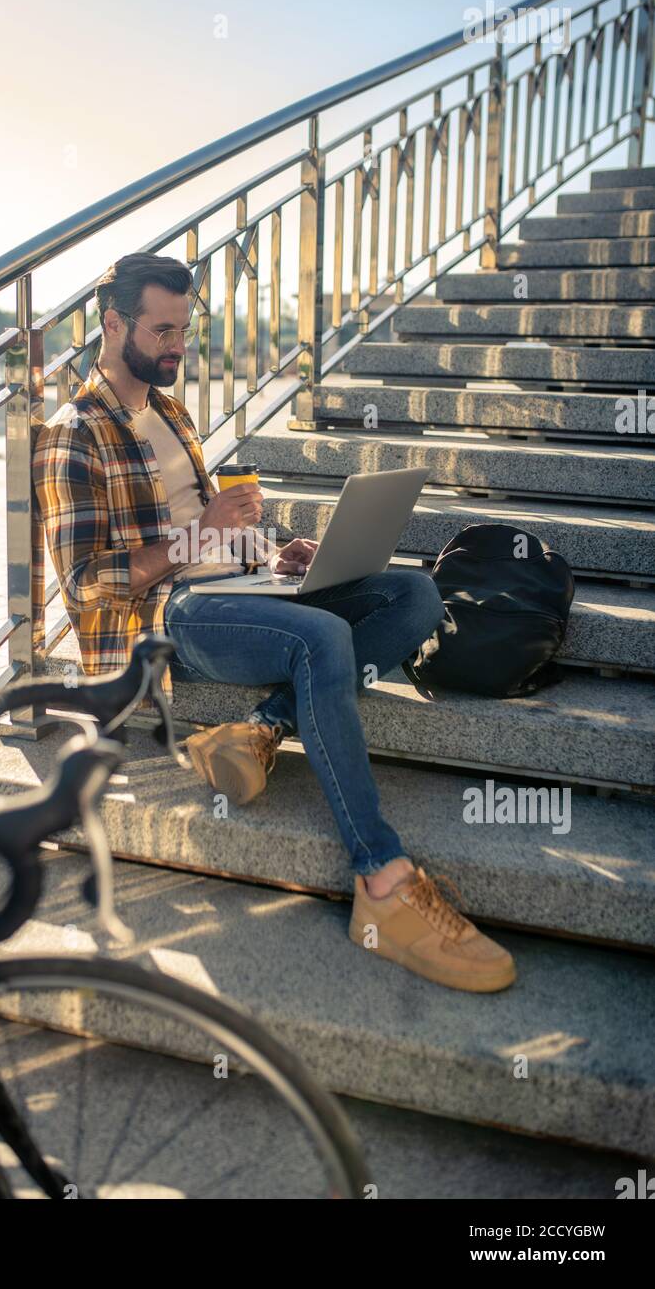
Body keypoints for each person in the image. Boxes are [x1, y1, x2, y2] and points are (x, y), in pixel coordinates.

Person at [33, 252, 516, 993]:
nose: (176, 346)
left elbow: (208, 524)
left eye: (184, 332)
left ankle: (260, 728)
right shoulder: (74, 432)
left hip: (238, 590)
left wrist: (272, 552)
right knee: (323, 637)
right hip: (168, 622)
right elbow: (87, 582)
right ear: (112, 324)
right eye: (163, 331)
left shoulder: (169, 412)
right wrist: (208, 534)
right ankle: (381, 881)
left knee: (414, 597)